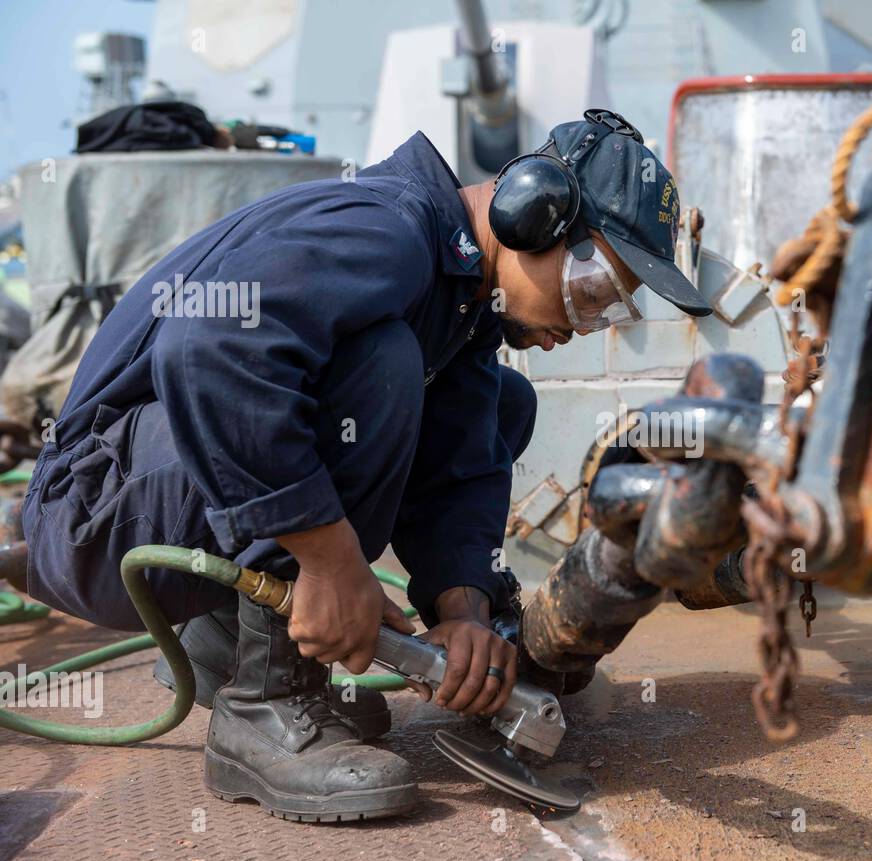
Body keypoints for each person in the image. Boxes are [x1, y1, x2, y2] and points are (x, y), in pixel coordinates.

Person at [22, 108, 710, 822]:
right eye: (590, 292)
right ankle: (265, 704)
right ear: (530, 213)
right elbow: (211, 350)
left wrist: (463, 611)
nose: (580, 327)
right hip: (96, 516)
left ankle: (228, 638)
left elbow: (463, 467)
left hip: (161, 495)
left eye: (608, 312)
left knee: (499, 400)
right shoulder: (389, 228)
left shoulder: (462, 298)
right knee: (381, 362)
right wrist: (329, 566)